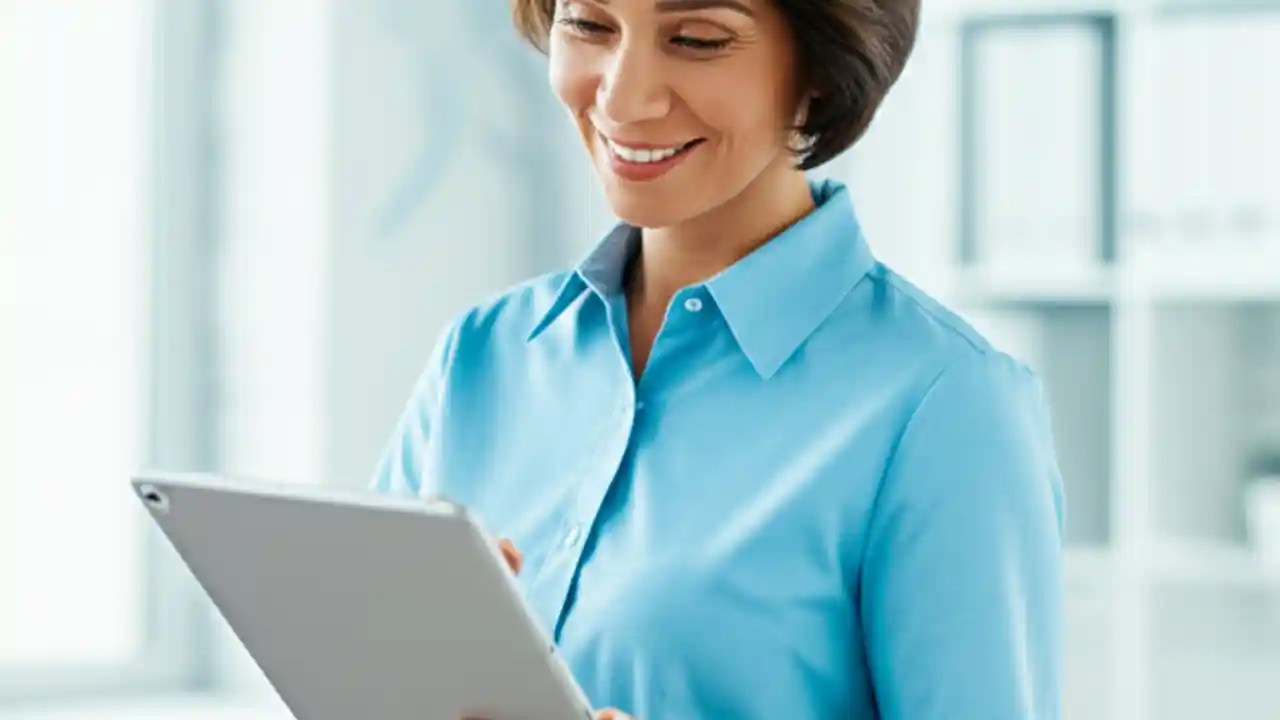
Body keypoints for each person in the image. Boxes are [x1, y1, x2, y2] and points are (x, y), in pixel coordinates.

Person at [371, 0, 1065, 718]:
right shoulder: (482, 355)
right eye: (588, 25)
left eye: (696, 39)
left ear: (820, 72)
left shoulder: (946, 405)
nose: (623, 96)